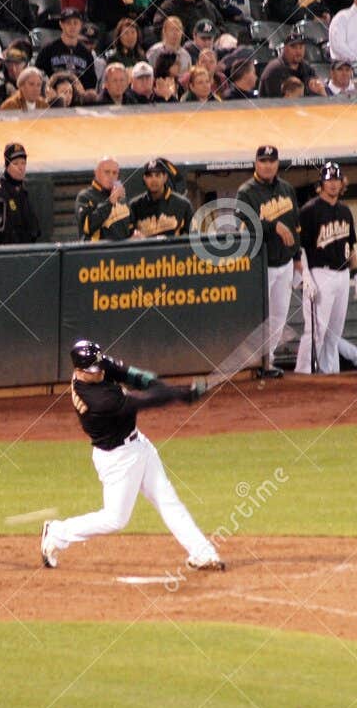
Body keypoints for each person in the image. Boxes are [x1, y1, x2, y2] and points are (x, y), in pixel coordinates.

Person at [38, 340, 220, 572]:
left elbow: (134, 376)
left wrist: (174, 389)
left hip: (139, 444)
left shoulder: (97, 365)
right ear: (79, 371)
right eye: (94, 369)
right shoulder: (97, 400)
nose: (100, 371)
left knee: (167, 500)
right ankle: (57, 532)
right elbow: (145, 401)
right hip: (117, 458)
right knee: (115, 519)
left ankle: (202, 553)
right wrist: (181, 395)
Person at [295, 162, 357, 375]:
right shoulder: (309, 210)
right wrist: (305, 276)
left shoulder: (345, 211)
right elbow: (299, 248)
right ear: (321, 183)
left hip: (342, 275)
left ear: (342, 183)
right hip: (320, 273)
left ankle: (327, 375)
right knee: (315, 331)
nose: (333, 184)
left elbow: (350, 246)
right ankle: (303, 373)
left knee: (334, 332)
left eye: (336, 180)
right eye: (329, 180)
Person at [237, 145, 301, 379]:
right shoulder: (246, 192)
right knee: (257, 318)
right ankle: (253, 363)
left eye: (271, 161)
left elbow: (295, 226)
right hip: (260, 265)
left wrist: (297, 258)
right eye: (263, 161)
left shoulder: (287, 189)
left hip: (285, 263)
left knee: (278, 316)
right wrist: (273, 226)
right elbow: (245, 224)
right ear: (256, 163)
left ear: (277, 163)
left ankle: (267, 361)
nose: (267, 165)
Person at [0, 143, 42, 244]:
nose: (20, 167)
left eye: (23, 163)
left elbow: (34, 228)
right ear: (6, 166)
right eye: (15, 164)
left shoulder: (24, 192)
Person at [127, 157, 191, 237]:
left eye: (157, 175)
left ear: (165, 177)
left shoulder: (182, 204)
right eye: (149, 176)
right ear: (144, 179)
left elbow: (192, 234)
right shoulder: (135, 205)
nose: (154, 180)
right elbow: (129, 234)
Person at [75, 158, 134, 241]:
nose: (111, 176)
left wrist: (135, 235)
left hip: (122, 248)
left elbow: (130, 226)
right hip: (98, 248)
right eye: (107, 172)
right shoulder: (85, 196)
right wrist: (110, 202)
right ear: (96, 173)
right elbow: (86, 228)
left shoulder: (121, 197)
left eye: (114, 173)